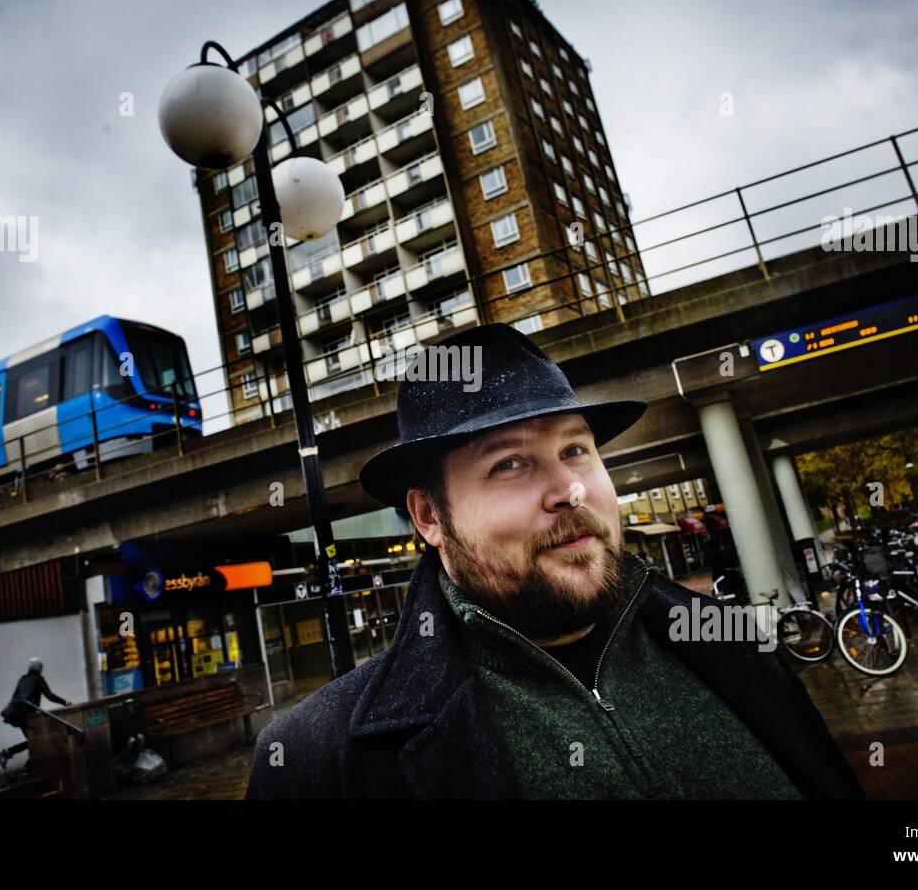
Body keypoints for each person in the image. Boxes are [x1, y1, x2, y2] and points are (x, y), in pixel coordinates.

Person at [246, 324, 865, 800]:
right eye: (510, 463)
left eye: (575, 448)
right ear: (431, 517)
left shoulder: (730, 647)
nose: (568, 489)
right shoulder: (321, 761)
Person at [0, 657, 71, 770]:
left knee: (33, 740)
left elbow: (15, 697)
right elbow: (49, 696)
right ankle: (19, 760)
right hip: (28, 714)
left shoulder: (23, 679)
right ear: (39, 669)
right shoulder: (38, 679)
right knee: (36, 740)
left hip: (17, 713)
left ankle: (12, 755)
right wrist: (64, 702)